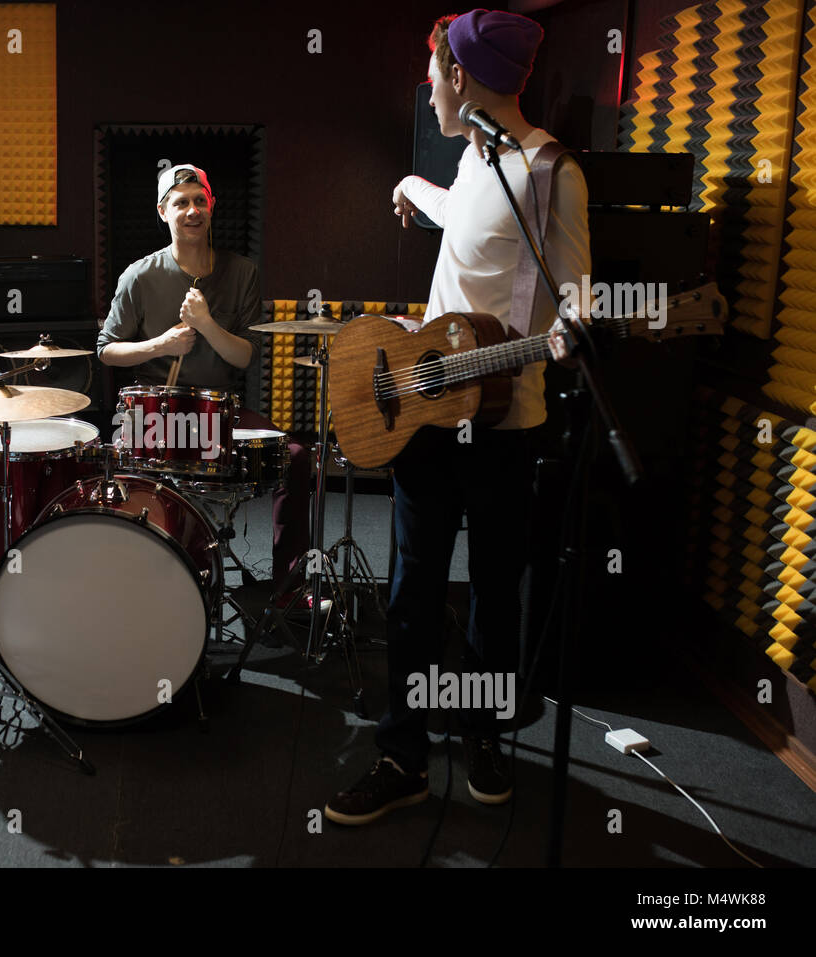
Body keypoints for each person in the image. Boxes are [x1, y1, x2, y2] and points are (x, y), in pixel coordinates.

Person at [325, 9, 590, 825]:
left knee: (494, 593)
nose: (426, 87)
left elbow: (578, 296)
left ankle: (484, 731)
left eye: (432, 73)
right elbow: (470, 226)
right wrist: (413, 188)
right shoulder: (474, 158)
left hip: (507, 419)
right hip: (427, 416)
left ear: (462, 79)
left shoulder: (552, 172)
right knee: (411, 590)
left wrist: (564, 335)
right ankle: (403, 751)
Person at [98, 164, 311, 593]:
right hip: (157, 415)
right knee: (126, 476)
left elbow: (246, 354)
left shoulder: (241, 272)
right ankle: (142, 583)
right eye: (181, 203)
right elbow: (107, 351)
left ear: (211, 206)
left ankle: (289, 587)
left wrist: (207, 323)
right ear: (163, 212)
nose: (192, 210)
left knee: (297, 457)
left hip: (220, 412)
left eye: (200, 201)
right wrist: (160, 345)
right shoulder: (139, 276)